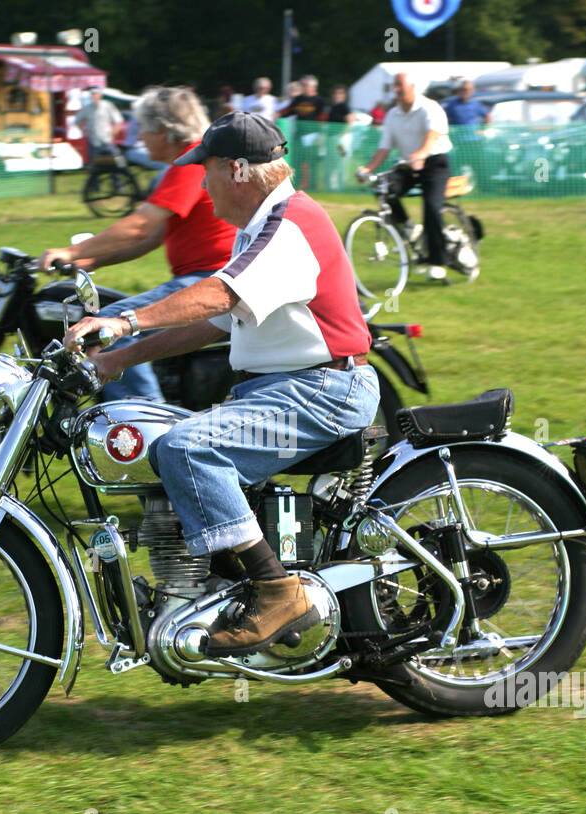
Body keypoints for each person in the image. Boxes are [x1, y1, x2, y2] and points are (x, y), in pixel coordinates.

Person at [64, 111, 378, 656]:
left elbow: (218, 297)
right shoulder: (260, 227)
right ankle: (221, 589)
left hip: (322, 391)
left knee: (187, 450)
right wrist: (121, 359)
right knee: (164, 440)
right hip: (287, 387)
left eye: (205, 172)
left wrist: (124, 321)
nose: (201, 184)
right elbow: (214, 323)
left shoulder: (288, 226)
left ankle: (278, 592)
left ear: (237, 170)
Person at [40, 86, 236, 403]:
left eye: (144, 127)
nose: (139, 136)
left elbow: (140, 224)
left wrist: (73, 251)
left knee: (109, 328)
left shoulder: (191, 162)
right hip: (210, 274)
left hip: (212, 277)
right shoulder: (189, 161)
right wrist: (90, 262)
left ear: (166, 130)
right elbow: (151, 237)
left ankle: (140, 423)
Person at [357, 72, 454, 282]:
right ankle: (409, 227)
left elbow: (433, 135)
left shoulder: (429, 108)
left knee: (432, 208)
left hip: (434, 163)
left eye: (399, 85)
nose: (396, 90)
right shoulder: (392, 114)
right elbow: (384, 147)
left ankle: (437, 263)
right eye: (395, 86)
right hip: (407, 164)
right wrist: (368, 169)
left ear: (413, 87)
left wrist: (421, 154)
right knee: (383, 188)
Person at [77, 86, 123, 162]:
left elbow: (118, 120)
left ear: (100, 95)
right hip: (94, 141)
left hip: (107, 139)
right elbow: (77, 120)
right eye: (92, 94)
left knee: (117, 159)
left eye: (96, 94)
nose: (94, 96)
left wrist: (114, 133)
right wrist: (84, 131)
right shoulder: (87, 108)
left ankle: (121, 172)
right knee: (95, 162)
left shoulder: (108, 105)